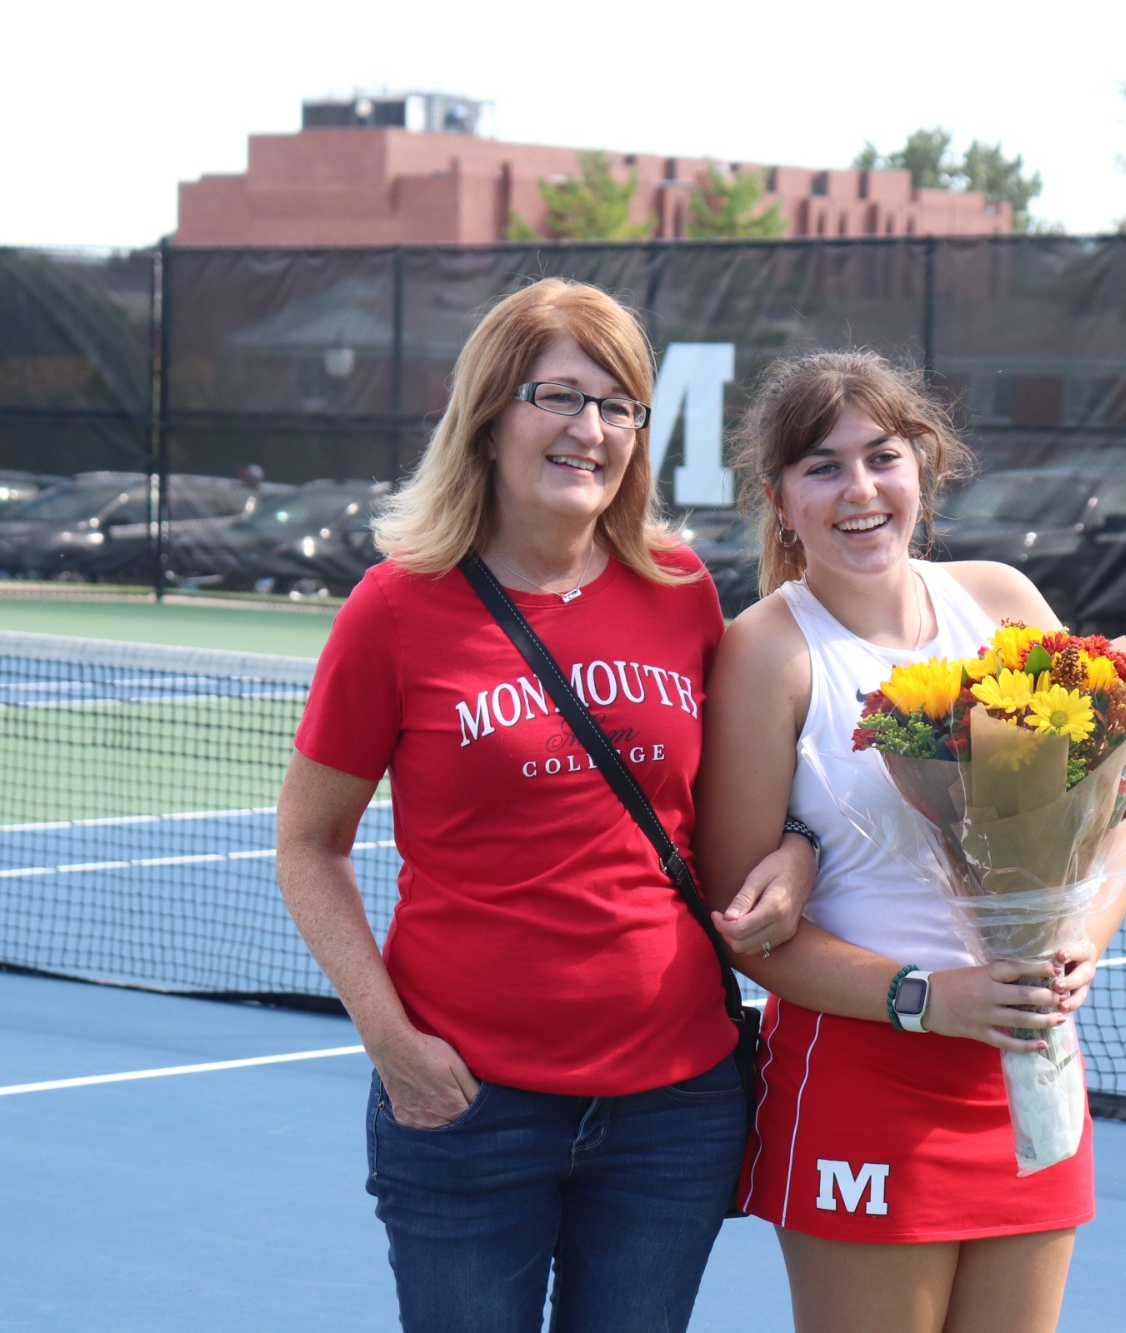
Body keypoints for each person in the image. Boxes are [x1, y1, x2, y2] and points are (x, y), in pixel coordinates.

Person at [274, 278, 817, 1333]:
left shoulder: (680, 590)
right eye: (558, 396)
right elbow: (307, 842)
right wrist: (388, 1037)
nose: (590, 429)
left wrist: (793, 852)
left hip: (674, 1108)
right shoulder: (395, 607)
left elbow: (752, 804)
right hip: (470, 1105)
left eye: (618, 405)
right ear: (488, 417)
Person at [695, 351, 1126, 1333]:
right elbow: (742, 925)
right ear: (778, 499)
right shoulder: (767, 651)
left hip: (1028, 1070)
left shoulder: (1000, 600)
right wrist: (926, 997)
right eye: (821, 467)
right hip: (864, 1083)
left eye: (880, 456)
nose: (858, 489)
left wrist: (1080, 940)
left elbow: (1120, 811)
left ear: (924, 466)